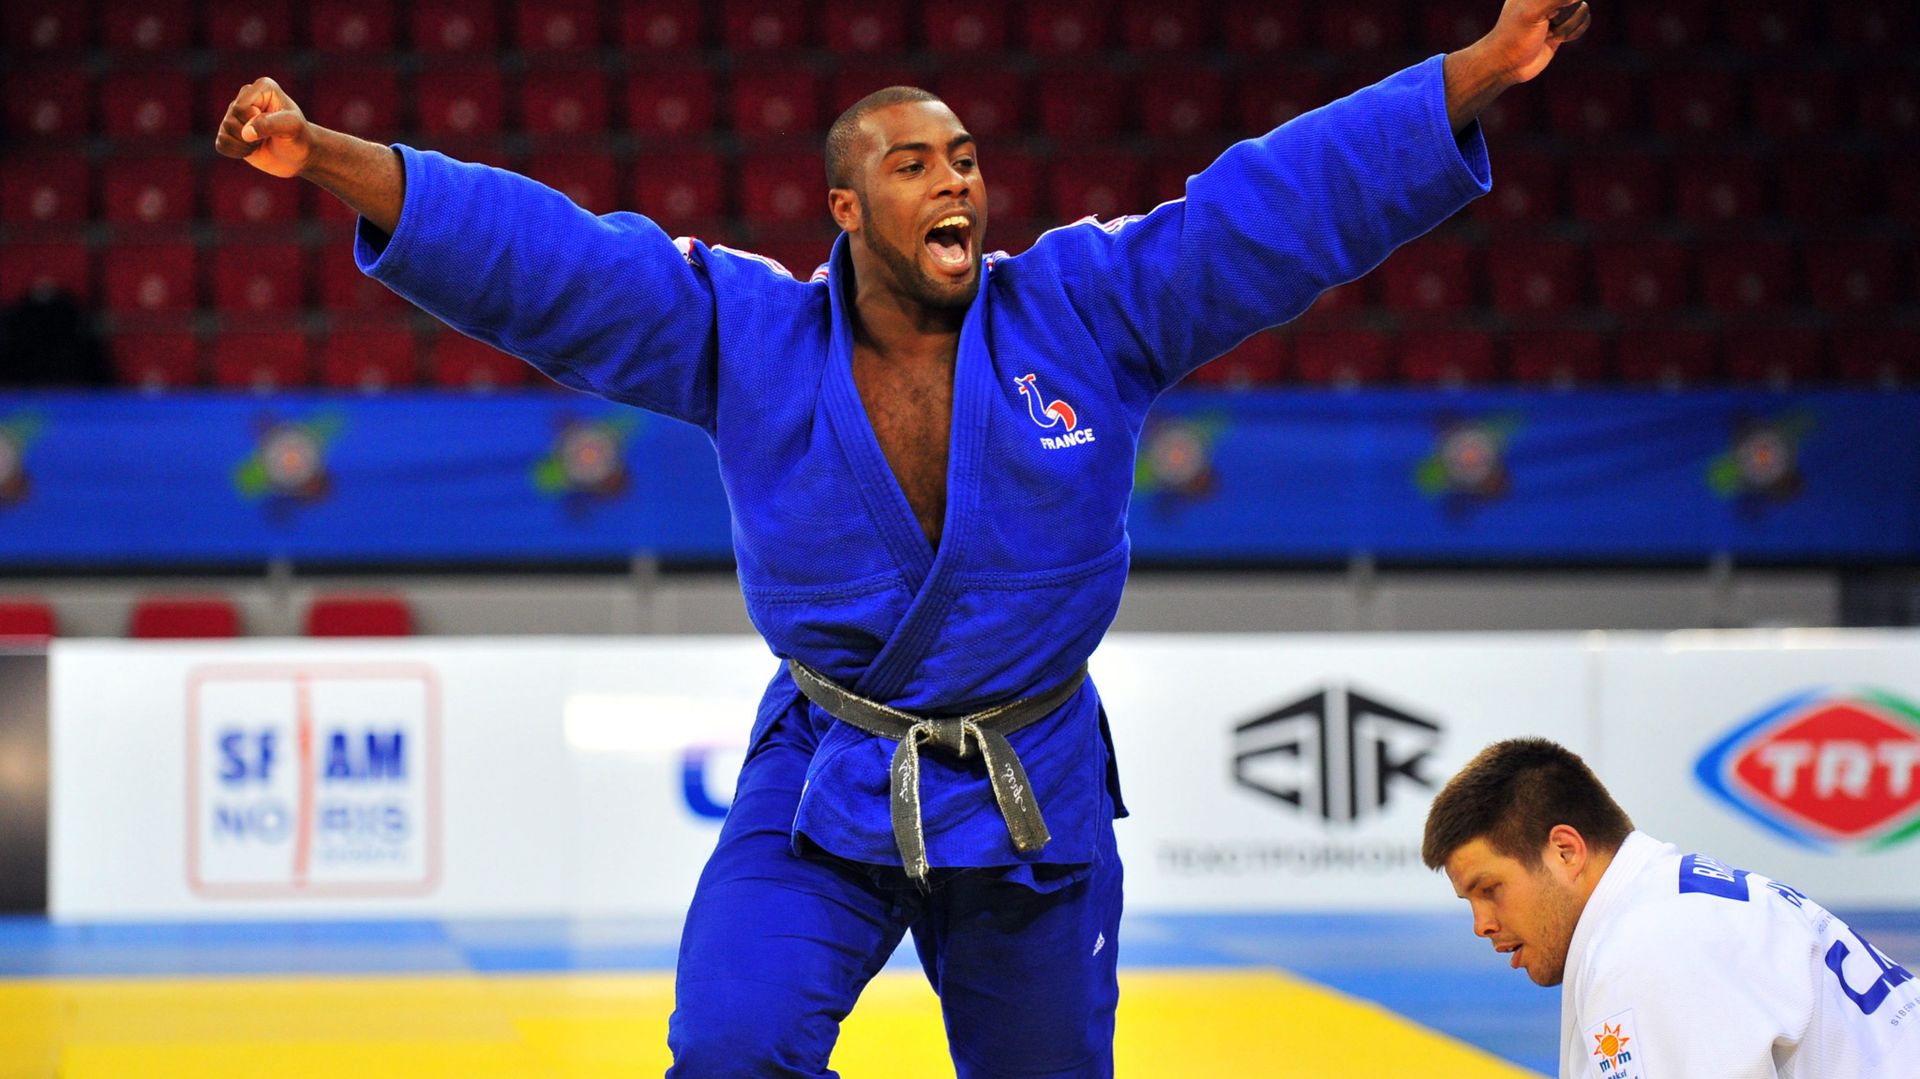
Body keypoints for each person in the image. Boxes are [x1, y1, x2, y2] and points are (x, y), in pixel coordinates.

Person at [215, 3, 1591, 1074]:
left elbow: (1271, 211)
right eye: (914, 162)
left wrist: (1477, 67)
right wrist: (333, 158)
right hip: (830, 769)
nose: (958, 183)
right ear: (845, 208)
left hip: (1030, 778)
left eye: (969, 159)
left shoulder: (1084, 311)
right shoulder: (744, 335)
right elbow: (555, 262)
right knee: (730, 1042)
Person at [1423, 738, 1920, 1078]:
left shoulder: (1650, 947)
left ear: (1565, 851)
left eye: (1489, 889)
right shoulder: (1667, 903)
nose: (1481, 925)